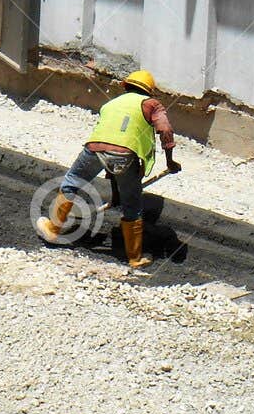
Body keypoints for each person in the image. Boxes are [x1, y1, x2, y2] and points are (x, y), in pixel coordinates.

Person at [36, 69, 181, 268]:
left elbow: (110, 148)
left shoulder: (110, 105)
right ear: (148, 91)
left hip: (95, 149)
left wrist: (116, 193)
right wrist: (170, 161)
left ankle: (53, 229)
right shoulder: (151, 104)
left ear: (126, 86)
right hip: (126, 155)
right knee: (133, 206)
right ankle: (135, 258)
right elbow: (165, 130)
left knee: (72, 182)